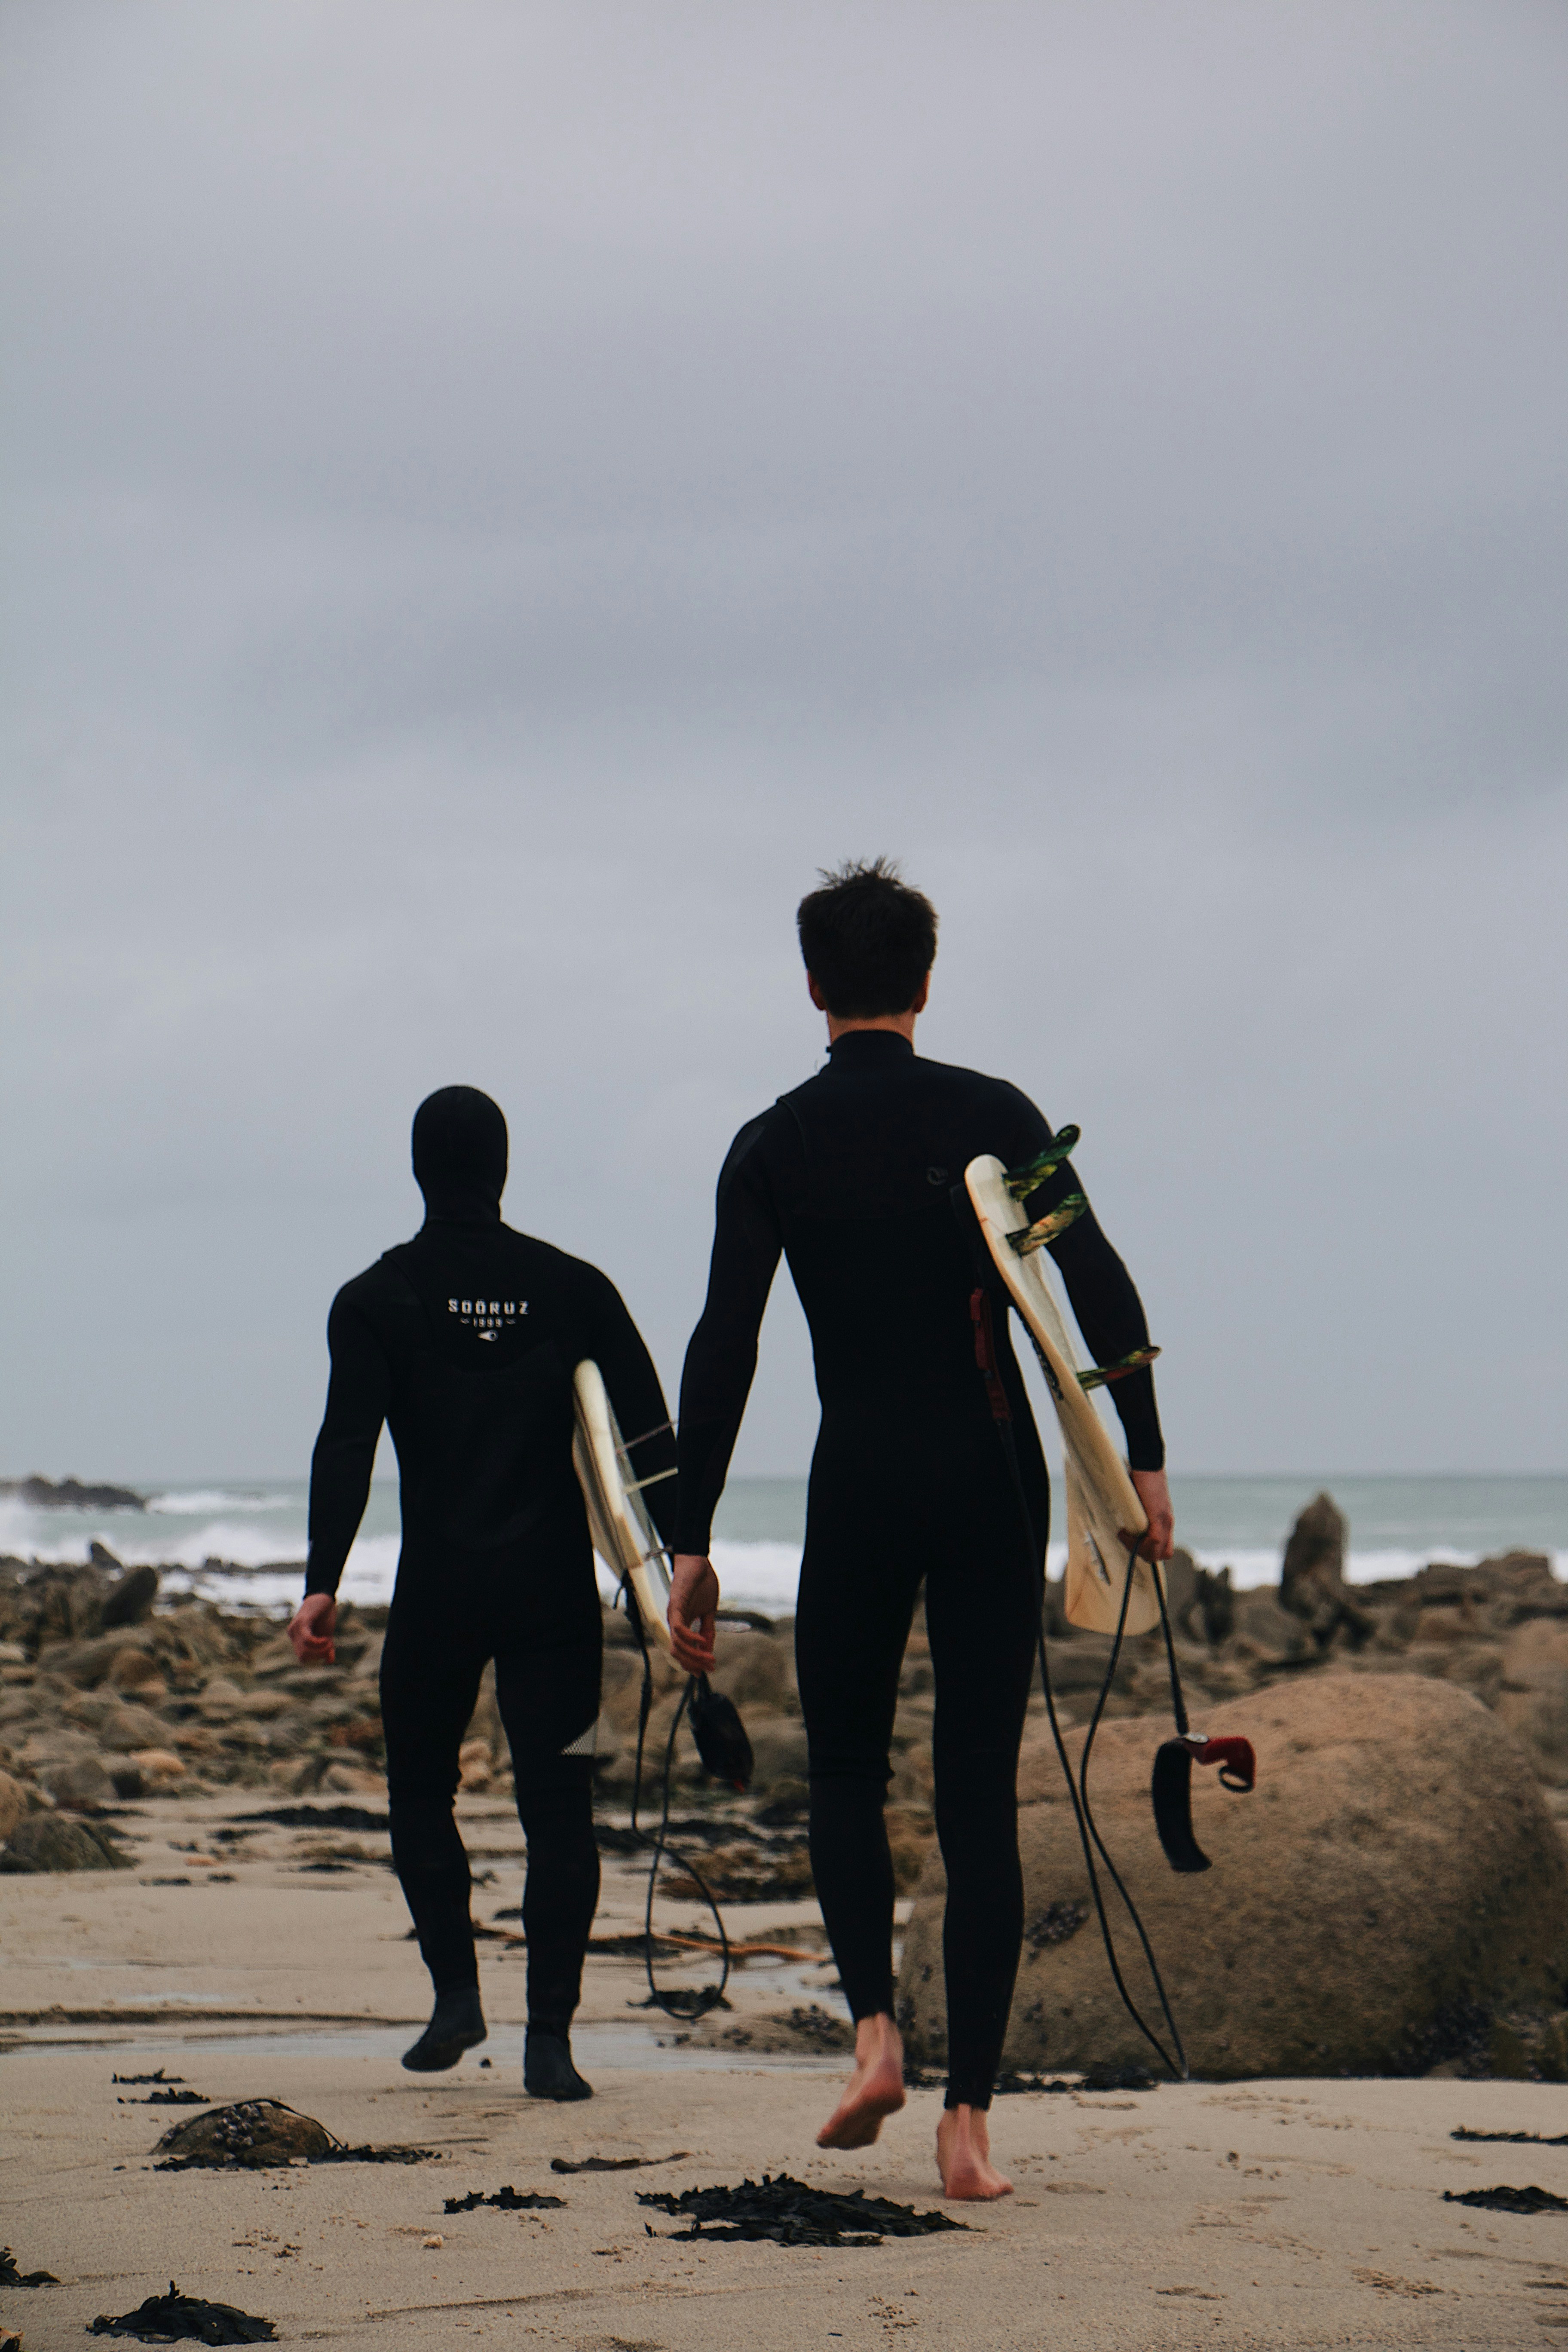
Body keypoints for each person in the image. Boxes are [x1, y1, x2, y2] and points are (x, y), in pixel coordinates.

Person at [665, 861, 1173, 2199]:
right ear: (926, 981)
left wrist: (690, 1536)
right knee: (975, 1802)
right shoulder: (995, 1118)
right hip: (988, 1479)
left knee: (842, 1773)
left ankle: (876, 2040)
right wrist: (1148, 1463)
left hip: (862, 1482)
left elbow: (728, 1343)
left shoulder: (770, 1145)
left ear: (815, 985)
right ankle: (969, 2127)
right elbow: (1099, 1281)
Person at [287, 1085, 677, 2101]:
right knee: (560, 1810)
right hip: (553, 1602)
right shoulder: (573, 1288)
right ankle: (550, 2041)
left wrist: (321, 1581)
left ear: (420, 1170)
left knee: (420, 1794)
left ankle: (456, 1998)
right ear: (504, 1168)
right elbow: (646, 1435)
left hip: (439, 1595)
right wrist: (686, 1561)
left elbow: (346, 1444)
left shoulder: (376, 1297)